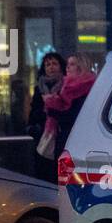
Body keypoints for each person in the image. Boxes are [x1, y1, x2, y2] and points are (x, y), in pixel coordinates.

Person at [42, 53, 98, 159]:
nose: (67, 67)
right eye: (67, 64)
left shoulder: (86, 87)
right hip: (65, 139)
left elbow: (74, 116)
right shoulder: (65, 87)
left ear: (81, 67)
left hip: (77, 141)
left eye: (72, 64)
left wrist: (51, 109)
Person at [27, 52, 66, 180]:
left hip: (61, 139)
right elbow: (33, 114)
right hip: (43, 139)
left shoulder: (67, 86)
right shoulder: (39, 89)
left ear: (61, 66)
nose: (51, 67)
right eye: (47, 64)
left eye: (54, 63)